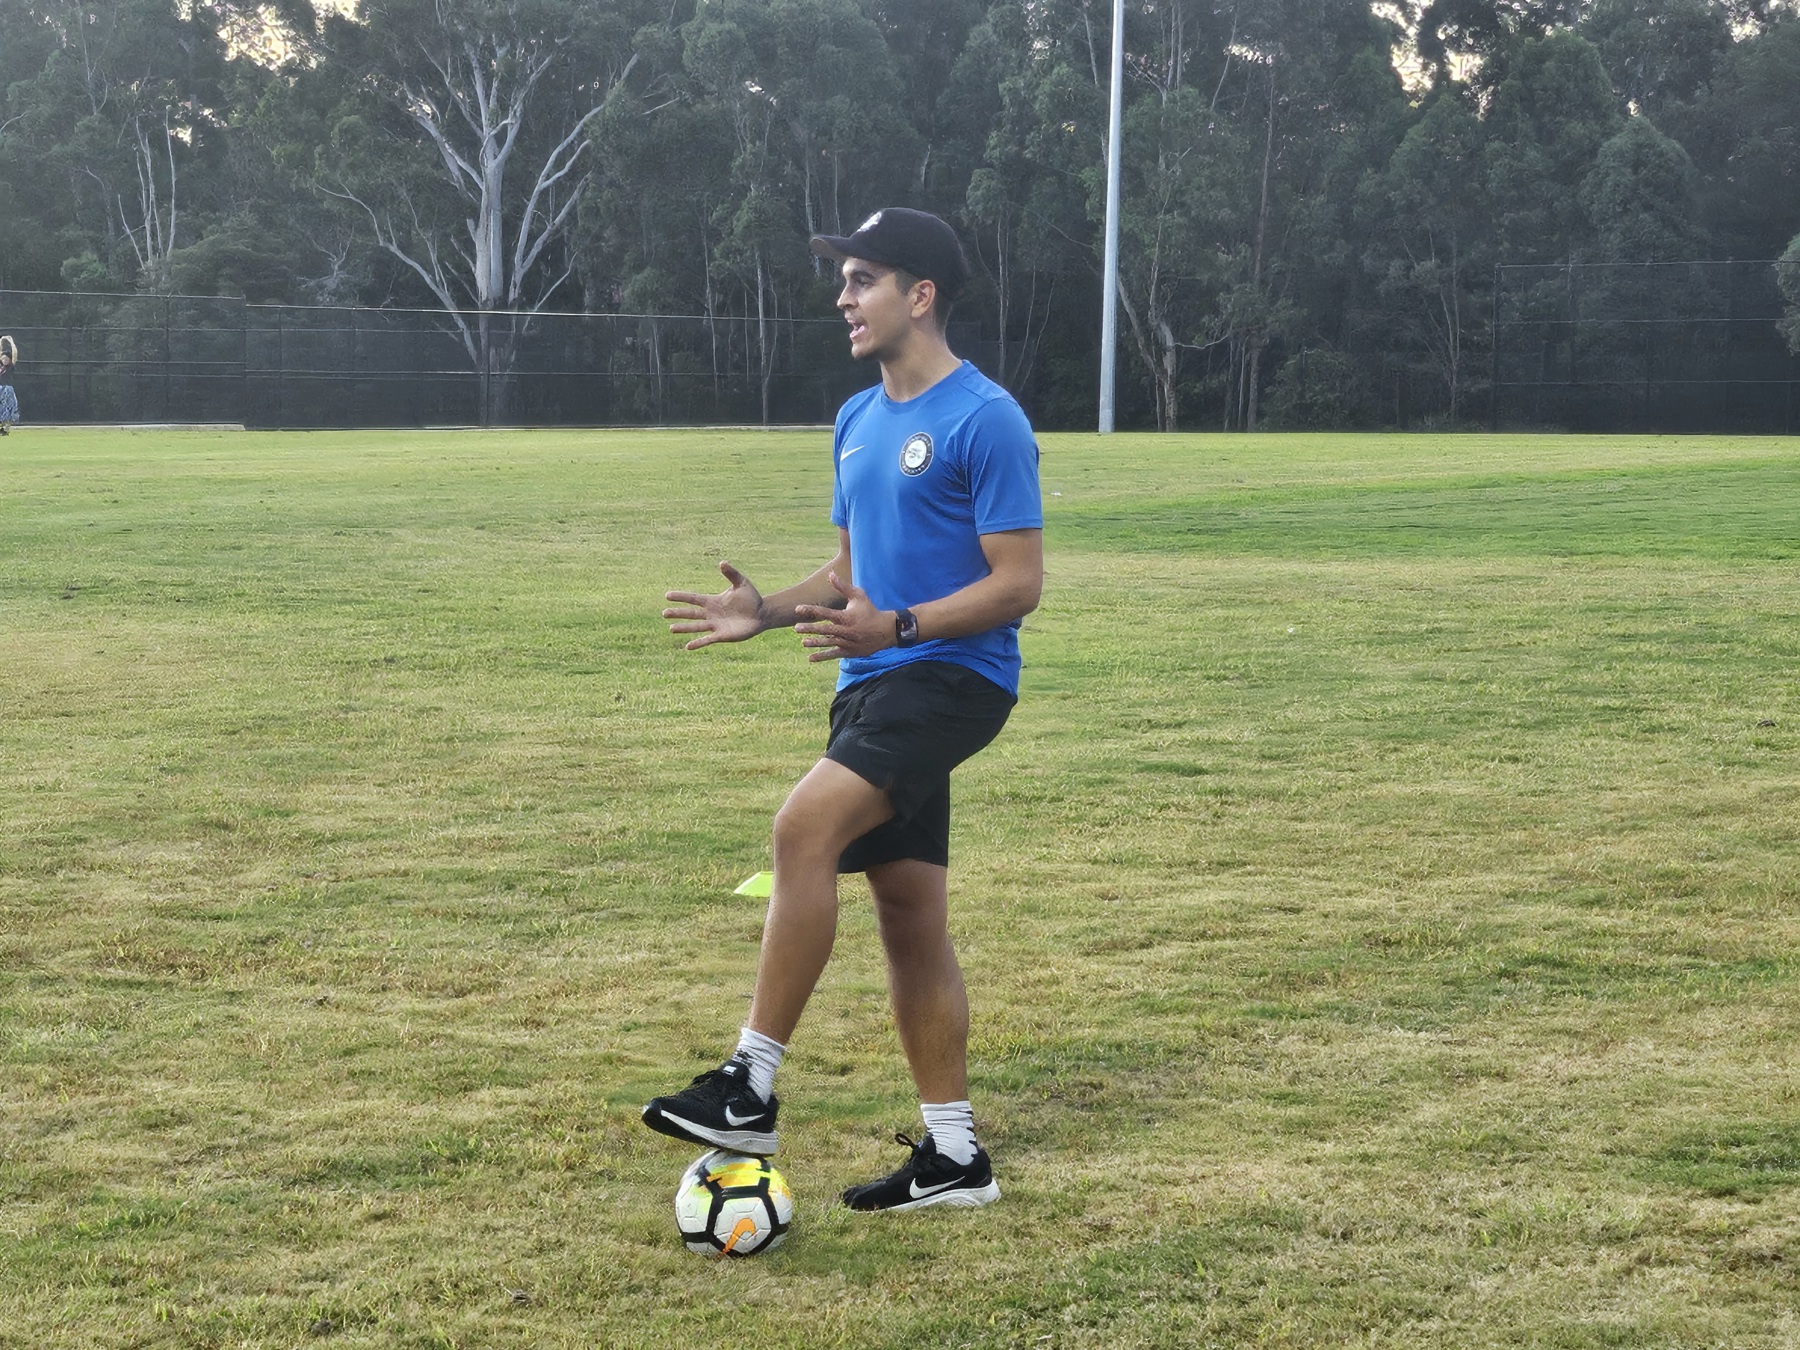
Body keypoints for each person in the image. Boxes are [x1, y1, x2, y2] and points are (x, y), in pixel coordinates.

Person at [641, 207, 1044, 1212]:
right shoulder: (858, 419)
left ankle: (749, 1085)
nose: (844, 299)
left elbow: (1018, 584)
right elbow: (850, 574)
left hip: (952, 678)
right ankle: (954, 1158)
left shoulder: (984, 417)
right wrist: (768, 611)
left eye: (863, 279)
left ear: (922, 295)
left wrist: (901, 628)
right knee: (909, 914)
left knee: (801, 827)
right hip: (872, 681)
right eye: (843, 280)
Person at [0, 337, 18, 434]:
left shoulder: (10, 367)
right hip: (0, 389)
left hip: (7, 389)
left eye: (7, 358)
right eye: (3, 358)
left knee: (8, 408)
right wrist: (1, 341)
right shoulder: (0, 366)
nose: (4, 359)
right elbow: (0, 351)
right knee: (1, 408)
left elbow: (14, 354)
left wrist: (11, 342)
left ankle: (6, 429)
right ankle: (2, 427)